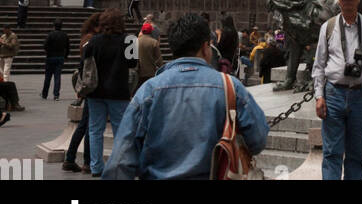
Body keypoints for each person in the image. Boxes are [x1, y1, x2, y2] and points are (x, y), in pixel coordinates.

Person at [102, 12, 270, 180]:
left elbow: (120, 160)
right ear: (206, 47)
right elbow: (258, 138)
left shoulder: (148, 91)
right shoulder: (230, 87)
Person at [312, 0, 362, 181]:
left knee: (355, 152)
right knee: (332, 151)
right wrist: (319, 96)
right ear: (338, 0)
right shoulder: (329, 27)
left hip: (360, 95)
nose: (348, 1)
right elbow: (319, 65)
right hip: (334, 93)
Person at [83, 9, 137, 178]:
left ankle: (96, 167)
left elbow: (85, 62)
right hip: (118, 91)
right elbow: (133, 62)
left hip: (95, 91)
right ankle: (118, 164)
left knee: (94, 129)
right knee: (120, 130)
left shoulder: (94, 41)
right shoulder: (129, 40)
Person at [62, 13, 101, 173]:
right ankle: (83, 161)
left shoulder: (87, 37)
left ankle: (72, 159)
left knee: (85, 124)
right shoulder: (91, 39)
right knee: (88, 125)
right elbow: (85, 64)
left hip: (87, 85)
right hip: (90, 85)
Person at [42, 20, 70, 100]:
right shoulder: (65, 35)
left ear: (54, 26)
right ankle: (56, 94)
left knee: (48, 76)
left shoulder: (50, 35)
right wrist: (66, 56)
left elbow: (45, 45)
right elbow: (68, 47)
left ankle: (45, 94)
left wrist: (48, 53)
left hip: (51, 57)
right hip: (60, 57)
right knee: (57, 76)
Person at [136, 22, 162, 87]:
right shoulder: (154, 42)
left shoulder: (135, 41)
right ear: (151, 31)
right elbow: (159, 60)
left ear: (142, 30)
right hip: (150, 72)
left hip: (138, 72)